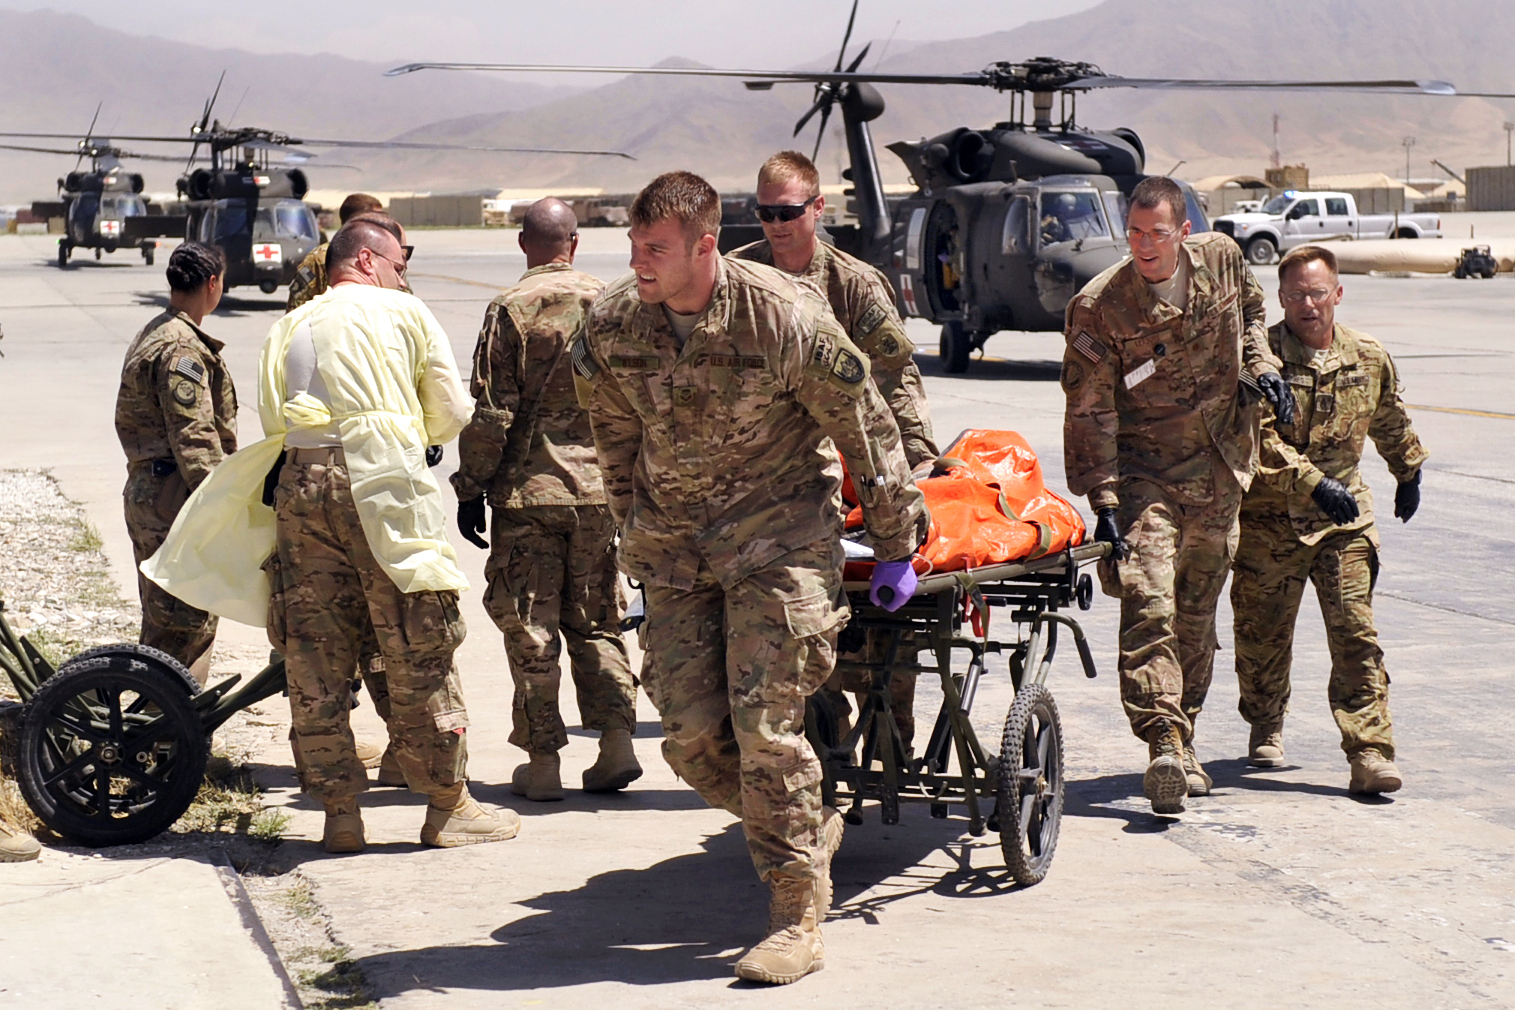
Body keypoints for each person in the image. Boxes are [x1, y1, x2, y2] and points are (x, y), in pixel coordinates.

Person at [574, 171, 928, 984]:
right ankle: (805, 820)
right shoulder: (613, 323)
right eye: (632, 245)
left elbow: (864, 424)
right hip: (676, 550)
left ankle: (795, 916)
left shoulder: (783, 316)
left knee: (766, 729)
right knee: (692, 741)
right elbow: (612, 435)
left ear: (704, 246)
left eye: (654, 248)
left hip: (779, 542)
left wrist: (894, 541)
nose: (637, 262)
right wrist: (632, 529)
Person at [264, 214, 517, 853]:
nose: (404, 277)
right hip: (382, 484)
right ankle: (448, 806)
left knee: (315, 651)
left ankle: (340, 815)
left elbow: (273, 416)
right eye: (399, 266)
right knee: (418, 641)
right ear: (368, 260)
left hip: (302, 482)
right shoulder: (404, 310)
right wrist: (406, 433)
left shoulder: (291, 323)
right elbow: (450, 411)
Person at [1061, 175, 1293, 815]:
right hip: (1147, 475)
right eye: (1133, 233)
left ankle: (1184, 738)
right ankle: (1162, 737)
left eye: (1156, 233)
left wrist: (1262, 367)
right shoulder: (1099, 307)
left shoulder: (1222, 259)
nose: (1143, 245)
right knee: (1149, 601)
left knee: (1195, 614)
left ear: (1183, 231)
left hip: (1222, 468)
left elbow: (1253, 315)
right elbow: (1089, 410)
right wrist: (1104, 502)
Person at [730, 149, 937, 750]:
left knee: (881, 626)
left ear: (818, 208)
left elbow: (896, 380)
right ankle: (818, 738)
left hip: (855, 469)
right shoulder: (739, 278)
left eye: (788, 211)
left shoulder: (854, 285)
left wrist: (919, 459)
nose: (776, 224)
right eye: (765, 212)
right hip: (774, 476)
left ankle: (890, 735)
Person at [451, 197, 640, 801]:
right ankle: (616, 742)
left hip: (528, 496)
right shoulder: (613, 303)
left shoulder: (510, 309)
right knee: (598, 620)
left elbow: (493, 413)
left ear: (523, 244)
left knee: (532, 630)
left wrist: (470, 487)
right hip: (599, 494)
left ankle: (544, 762)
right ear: (574, 243)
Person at [1230, 245, 1427, 794]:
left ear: (1337, 293)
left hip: (1344, 523)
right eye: (1296, 294)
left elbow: (1389, 416)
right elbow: (1255, 440)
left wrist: (1408, 471)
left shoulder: (1367, 355)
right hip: (1271, 523)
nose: (1308, 304)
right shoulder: (1259, 360)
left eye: (1317, 292)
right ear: (1281, 298)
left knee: (1355, 633)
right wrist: (1316, 483)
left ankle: (1370, 751)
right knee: (1261, 641)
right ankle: (1265, 720)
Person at [114, 242, 234, 685]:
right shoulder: (182, 349)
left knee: (165, 620)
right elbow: (194, 439)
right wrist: (225, 504)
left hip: (154, 491)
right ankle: (167, 721)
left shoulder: (157, 330)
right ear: (213, 284)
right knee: (184, 622)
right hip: (174, 498)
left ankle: (159, 716)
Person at [285, 193, 384, 311]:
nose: (383, 225)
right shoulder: (320, 258)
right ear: (356, 223)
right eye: (376, 220)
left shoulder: (386, 256)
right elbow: (296, 308)